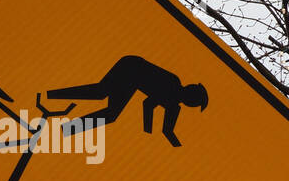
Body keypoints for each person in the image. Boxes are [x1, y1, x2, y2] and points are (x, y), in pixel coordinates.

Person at [47, 54, 208, 146]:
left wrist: (177, 147)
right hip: (131, 68)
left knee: (106, 105)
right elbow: (148, 104)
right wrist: (147, 132)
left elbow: (167, 130)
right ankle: (51, 97)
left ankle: (64, 128)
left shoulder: (174, 105)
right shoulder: (172, 84)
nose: (192, 105)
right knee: (101, 94)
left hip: (133, 76)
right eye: (195, 102)